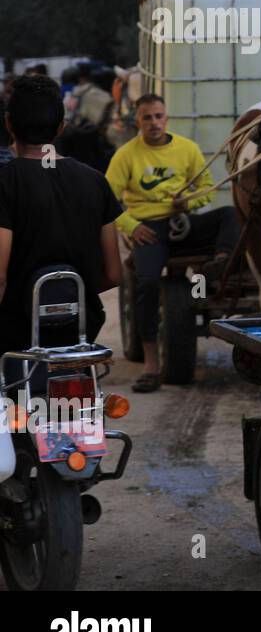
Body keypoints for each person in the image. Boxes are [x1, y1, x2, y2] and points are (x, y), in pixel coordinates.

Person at [105, 94, 240, 393]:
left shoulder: (187, 149)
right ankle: (152, 365)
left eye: (158, 116)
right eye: (146, 118)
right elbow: (107, 199)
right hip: (149, 229)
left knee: (228, 214)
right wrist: (131, 225)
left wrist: (190, 200)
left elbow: (207, 188)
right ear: (137, 121)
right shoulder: (126, 155)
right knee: (148, 283)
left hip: (183, 220)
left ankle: (219, 261)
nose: (153, 123)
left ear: (166, 118)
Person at [0, 74, 122, 360]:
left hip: (14, 334)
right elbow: (114, 274)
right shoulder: (96, 182)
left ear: (9, 125)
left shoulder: (5, 183)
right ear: (61, 127)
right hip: (78, 331)